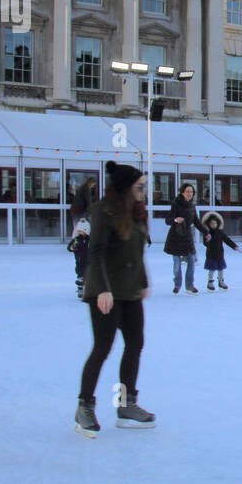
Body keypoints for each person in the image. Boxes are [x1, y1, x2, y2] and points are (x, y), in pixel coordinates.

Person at [75, 161, 155, 438]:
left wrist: (143, 282)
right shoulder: (103, 211)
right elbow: (95, 252)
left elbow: (137, 251)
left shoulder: (138, 212)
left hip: (130, 290)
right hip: (105, 291)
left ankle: (126, 404)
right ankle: (84, 406)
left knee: (135, 344)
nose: (144, 190)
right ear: (125, 187)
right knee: (103, 347)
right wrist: (103, 289)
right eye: (139, 186)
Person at [162, 182, 208, 295]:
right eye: (187, 191)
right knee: (177, 263)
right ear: (182, 193)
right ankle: (177, 284)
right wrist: (175, 219)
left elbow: (196, 222)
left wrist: (206, 232)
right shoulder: (176, 204)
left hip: (187, 237)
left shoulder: (192, 206)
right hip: (176, 236)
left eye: (191, 191)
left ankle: (189, 285)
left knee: (191, 260)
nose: (190, 194)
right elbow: (167, 220)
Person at [201, 211, 240, 290]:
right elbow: (205, 243)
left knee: (220, 268)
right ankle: (210, 282)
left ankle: (221, 281)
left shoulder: (220, 232)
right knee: (211, 269)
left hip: (220, 254)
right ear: (209, 224)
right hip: (211, 254)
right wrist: (208, 240)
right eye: (212, 223)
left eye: (215, 223)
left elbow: (227, 240)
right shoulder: (207, 233)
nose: (214, 225)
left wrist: (235, 246)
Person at [68, 217, 91, 299]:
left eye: (80, 231)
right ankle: (80, 289)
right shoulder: (77, 240)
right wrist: (73, 247)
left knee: (88, 275)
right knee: (80, 273)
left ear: (85, 231)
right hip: (80, 260)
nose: (78, 232)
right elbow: (70, 248)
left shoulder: (89, 240)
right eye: (78, 230)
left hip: (88, 261)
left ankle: (88, 289)